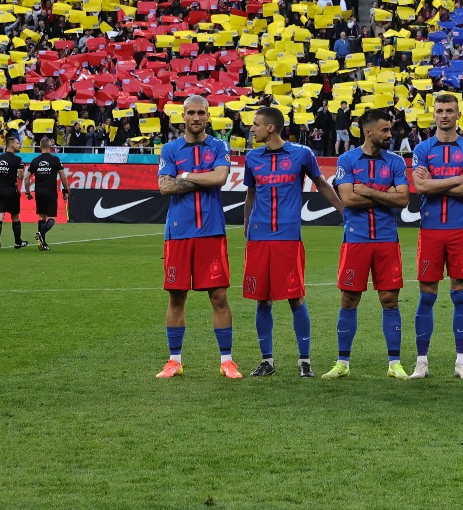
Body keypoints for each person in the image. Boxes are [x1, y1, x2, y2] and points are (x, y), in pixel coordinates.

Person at [242, 105, 341, 378]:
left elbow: (321, 184)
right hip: (259, 237)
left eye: (256, 124)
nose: (252, 129)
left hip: (288, 237)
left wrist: (344, 211)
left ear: (271, 127)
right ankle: (267, 361)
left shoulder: (302, 154)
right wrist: (246, 224)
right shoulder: (252, 158)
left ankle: (304, 361)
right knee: (262, 300)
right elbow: (251, 193)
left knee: (295, 297)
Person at [324, 107, 410, 380]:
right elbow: (348, 199)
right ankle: (342, 363)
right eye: (384, 130)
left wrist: (366, 190)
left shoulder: (396, 162)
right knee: (349, 299)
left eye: (390, 129)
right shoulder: (347, 159)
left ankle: (395, 363)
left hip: (387, 240)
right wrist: (385, 193)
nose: (389, 134)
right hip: (356, 240)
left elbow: (403, 199)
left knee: (390, 299)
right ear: (368, 131)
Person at [155, 95, 237, 380]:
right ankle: (174, 361)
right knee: (176, 296)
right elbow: (165, 186)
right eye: (191, 112)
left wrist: (185, 175)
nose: (196, 117)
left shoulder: (219, 145)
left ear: (208, 116)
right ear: (183, 116)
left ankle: (227, 361)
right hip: (178, 233)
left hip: (211, 232)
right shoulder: (170, 148)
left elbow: (220, 178)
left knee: (219, 296)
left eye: (201, 112)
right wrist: (204, 177)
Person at [409, 92, 463, 380]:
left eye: (449, 110)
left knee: (460, 296)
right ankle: (422, 362)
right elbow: (420, 188)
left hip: (459, 232)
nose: (444, 115)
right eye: (439, 110)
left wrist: (435, 182)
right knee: (426, 297)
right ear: (434, 115)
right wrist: (457, 178)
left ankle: (461, 362)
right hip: (430, 232)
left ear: (458, 114)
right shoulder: (422, 148)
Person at [25, 137, 70, 251]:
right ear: (51, 146)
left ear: (40, 147)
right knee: (52, 218)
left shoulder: (35, 160)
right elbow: (63, 176)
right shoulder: (55, 159)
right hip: (50, 191)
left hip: (39, 191)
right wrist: (65, 190)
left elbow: (26, 177)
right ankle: (40, 234)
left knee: (42, 216)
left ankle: (43, 244)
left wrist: (27, 192)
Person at [0, 134, 27, 250]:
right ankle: (17, 242)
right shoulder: (18, 160)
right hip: (12, 190)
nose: (19, 145)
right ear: (11, 146)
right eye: (17, 143)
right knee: (15, 217)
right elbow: (20, 177)